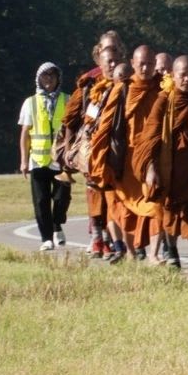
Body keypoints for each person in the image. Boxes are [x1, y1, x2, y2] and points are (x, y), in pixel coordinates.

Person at [134, 56, 188, 274]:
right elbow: (149, 137)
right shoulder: (164, 100)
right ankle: (173, 253)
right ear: (173, 76)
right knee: (169, 213)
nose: (187, 79)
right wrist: (150, 168)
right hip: (169, 168)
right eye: (182, 75)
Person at [90, 46, 164, 262]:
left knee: (157, 203)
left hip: (154, 157)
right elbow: (105, 126)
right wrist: (102, 160)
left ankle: (154, 254)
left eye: (150, 64)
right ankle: (131, 253)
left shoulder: (162, 88)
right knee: (126, 211)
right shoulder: (123, 89)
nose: (146, 68)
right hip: (128, 159)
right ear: (132, 63)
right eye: (141, 63)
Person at [58, 42, 122, 257]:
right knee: (95, 193)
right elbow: (70, 119)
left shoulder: (126, 83)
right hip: (92, 149)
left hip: (117, 149)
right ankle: (97, 238)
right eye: (108, 61)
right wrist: (68, 148)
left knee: (113, 195)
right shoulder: (88, 85)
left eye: (115, 60)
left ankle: (112, 239)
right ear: (99, 63)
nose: (112, 65)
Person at [18, 62, 71, 251]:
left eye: (52, 75)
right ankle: (46, 238)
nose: (48, 79)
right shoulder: (30, 102)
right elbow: (25, 133)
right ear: (39, 79)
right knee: (41, 201)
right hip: (38, 160)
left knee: (61, 198)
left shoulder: (68, 100)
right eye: (44, 75)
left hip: (61, 161)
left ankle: (57, 225)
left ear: (58, 78)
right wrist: (24, 160)